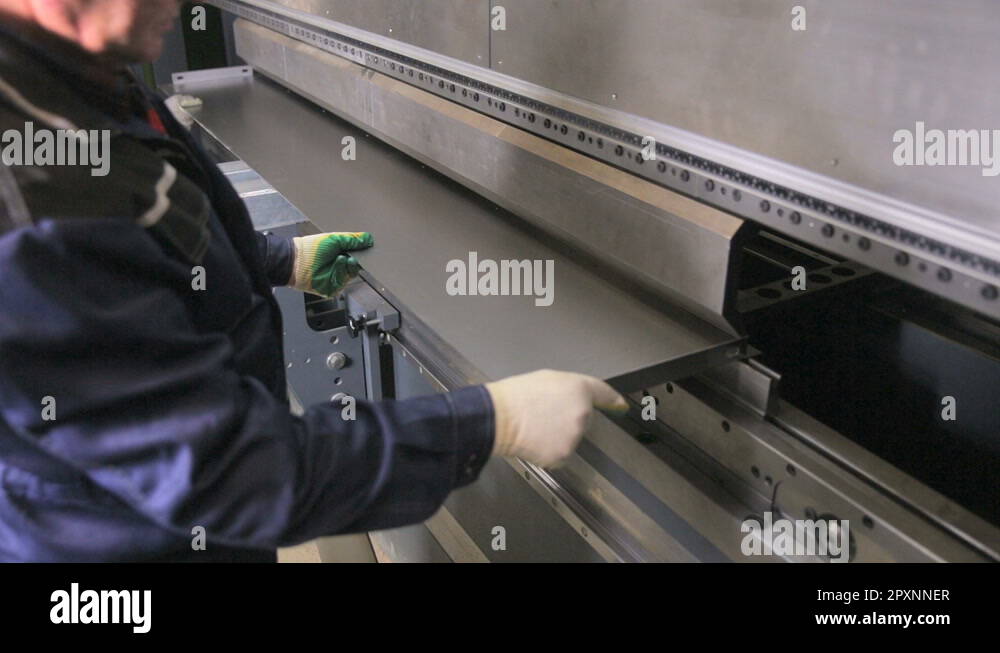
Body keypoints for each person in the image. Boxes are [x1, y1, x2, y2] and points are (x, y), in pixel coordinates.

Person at [0, 0, 627, 561]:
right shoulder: (35, 199)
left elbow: (150, 232)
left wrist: (274, 261)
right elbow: (233, 475)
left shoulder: (68, 68)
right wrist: (491, 423)